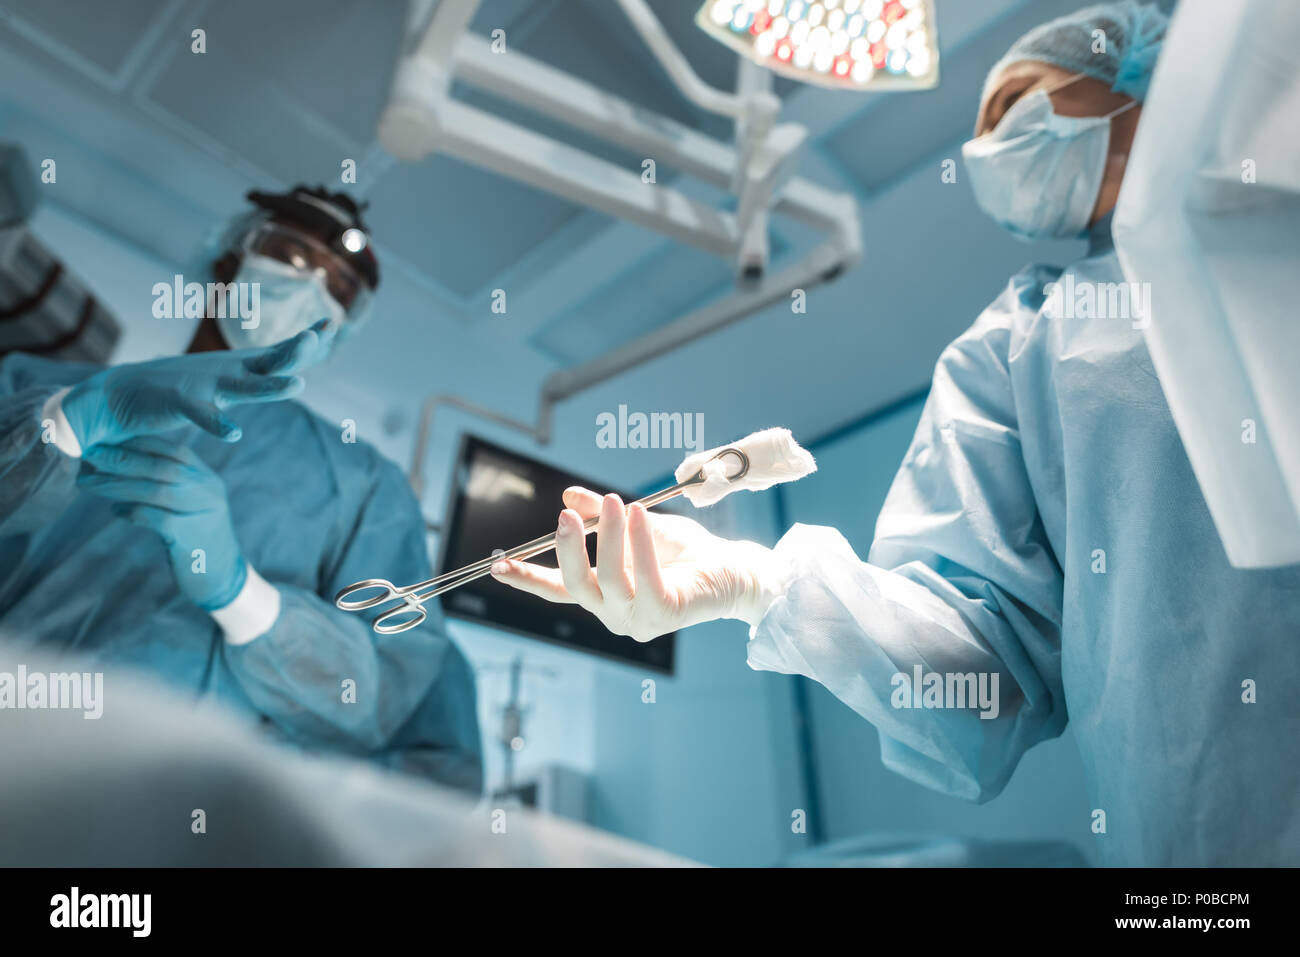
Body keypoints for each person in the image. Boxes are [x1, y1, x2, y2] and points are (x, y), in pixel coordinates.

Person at [491, 2, 1300, 864]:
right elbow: (977, 681)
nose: (990, 144)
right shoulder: (1022, 342)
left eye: (1017, 105)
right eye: (983, 128)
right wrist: (761, 585)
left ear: (1138, 74)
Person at [0, 186, 482, 791]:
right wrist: (64, 423)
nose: (313, 292)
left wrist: (242, 595)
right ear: (230, 260)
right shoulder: (31, 385)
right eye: (295, 257)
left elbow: (379, 693)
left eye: (338, 290)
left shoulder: (364, 486)